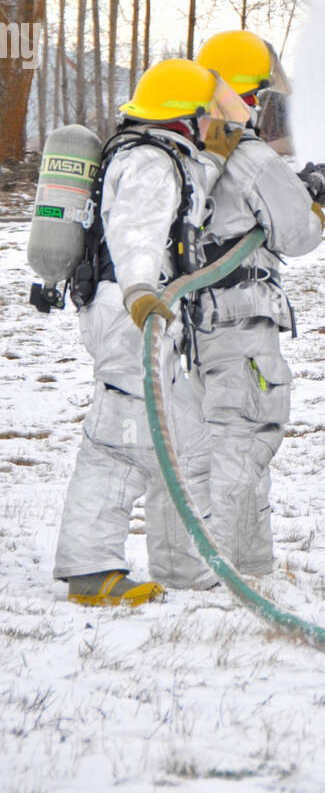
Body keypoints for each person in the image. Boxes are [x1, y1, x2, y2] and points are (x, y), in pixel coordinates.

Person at [53, 59, 238, 605]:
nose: (214, 125)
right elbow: (137, 229)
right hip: (134, 313)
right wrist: (139, 291)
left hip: (153, 317)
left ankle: (187, 566)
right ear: (188, 114)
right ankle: (90, 572)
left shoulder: (164, 157)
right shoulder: (151, 162)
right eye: (209, 116)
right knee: (121, 442)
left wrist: (218, 158)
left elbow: (185, 195)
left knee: (187, 441)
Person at [172, 29, 325, 581]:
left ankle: (214, 570)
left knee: (196, 457)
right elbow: (296, 235)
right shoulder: (252, 156)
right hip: (241, 328)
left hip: (187, 333)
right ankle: (227, 574)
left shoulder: (189, 148)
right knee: (245, 444)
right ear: (251, 92)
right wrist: (311, 199)